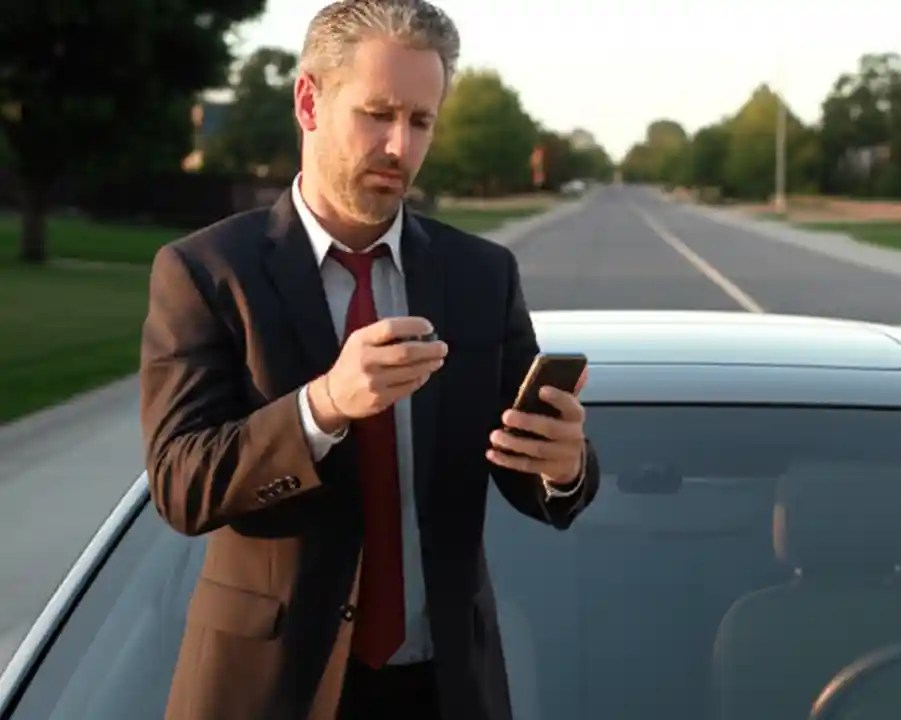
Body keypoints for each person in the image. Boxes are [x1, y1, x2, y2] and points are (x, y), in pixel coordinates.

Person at [137, 1, 601, 718]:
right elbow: (180, 485)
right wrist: (322, 407)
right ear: (308, 101)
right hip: (268, 692)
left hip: (445, 689)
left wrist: (562, 466)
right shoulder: (205, 272)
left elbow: (530, 474)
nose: (399, 147)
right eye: (378, 114)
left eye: (421, 121)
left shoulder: (481, 276)